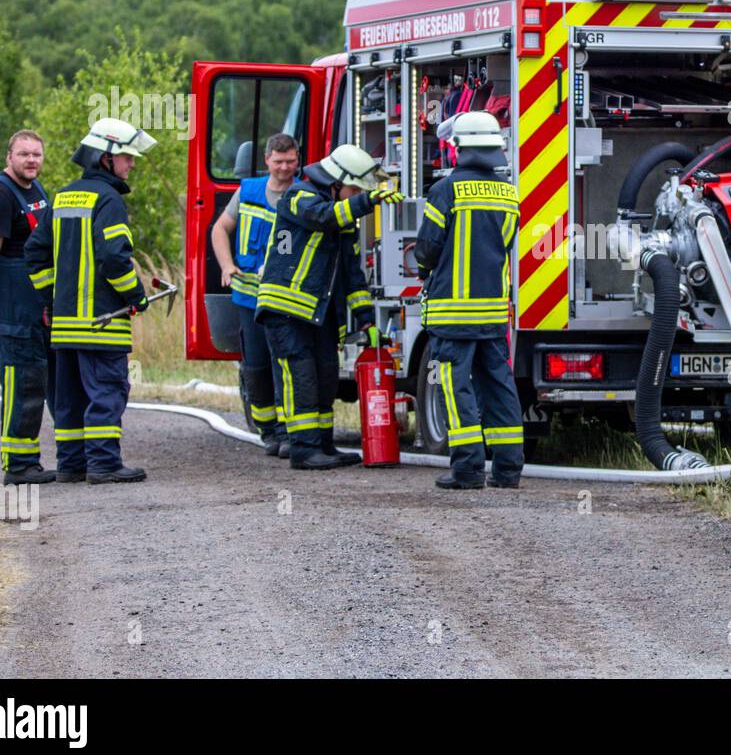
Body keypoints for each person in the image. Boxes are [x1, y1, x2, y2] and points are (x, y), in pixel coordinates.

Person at [255, 144, 402, 471]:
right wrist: (368, 201)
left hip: (316, 315)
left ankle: (323, 445)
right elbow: (320, 217)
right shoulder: (298, 196)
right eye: (354, 190)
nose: (355, 196)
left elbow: (352, 273)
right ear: (337, 182)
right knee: (301, 377)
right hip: (285, 311)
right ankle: (303, 450)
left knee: (325, 375)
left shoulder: (342, 215)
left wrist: (366, 321)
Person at [25, 118, 154, 484]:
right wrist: (136, 295)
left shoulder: (62, 196)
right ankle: (104, 465)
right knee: (107, 391)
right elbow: (115, 257)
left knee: (69, 396)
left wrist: (51, 299)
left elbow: (35, 252)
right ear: (105, 158)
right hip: (102, 322)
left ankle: (71, 465)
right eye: (127, 157)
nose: (131, 165)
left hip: (65, 325)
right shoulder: (109, 199)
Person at [414, 112, 524, 490]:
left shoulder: (446, 191)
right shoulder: (508, 192)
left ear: (458, 147)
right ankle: (509, 470)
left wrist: (423, 267)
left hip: (451, 314)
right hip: (493, 313)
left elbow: (427, 247)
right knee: (498, 385)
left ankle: (468, 470)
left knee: (456, 387)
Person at [210, 133, 299, 457]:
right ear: (267, 160)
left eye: (290, 161)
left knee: (286, 366)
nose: (285, 168)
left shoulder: (303, 193)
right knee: (257, 366)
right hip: (249, 299)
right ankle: (269, 431)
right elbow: (220, 229)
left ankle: (290, 432)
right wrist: (226, 265)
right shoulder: (247, 192)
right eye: (279, 161)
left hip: (287, 300)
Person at [0, 130, 55, 484]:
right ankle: (17, 465)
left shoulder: (36, 190)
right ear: (9, 156)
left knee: (36, 377)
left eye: (36, 154)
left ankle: (30, 460)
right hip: (10, 306)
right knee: (19, 379)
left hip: (34, 302)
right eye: (23, 154)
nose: (31, 160)